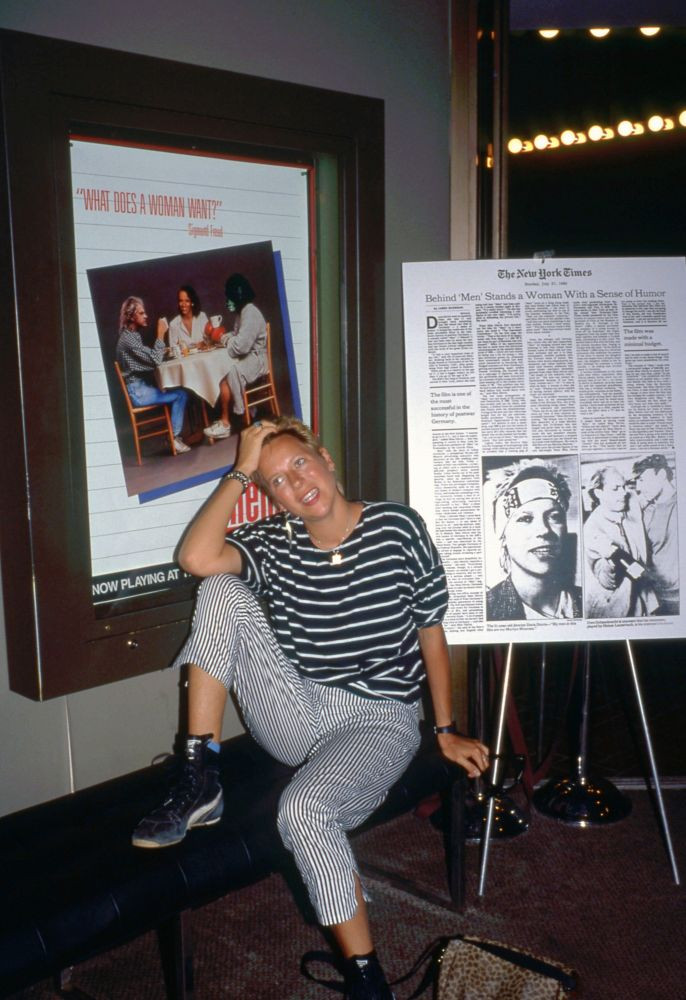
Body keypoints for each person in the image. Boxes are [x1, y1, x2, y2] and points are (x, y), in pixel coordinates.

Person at [132, 416, 489, 999]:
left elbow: (431, 630)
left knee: (303, 811)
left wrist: (445, 728)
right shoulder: (275, 542)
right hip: (298, 711)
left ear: (325, 457)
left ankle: (368, 982)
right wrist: (240, 471)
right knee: (221, 589)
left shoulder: (397, 527)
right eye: (276, 482)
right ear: (270, 496)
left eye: (299, 464)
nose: (295, 484)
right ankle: (200, 777)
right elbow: (197, 558)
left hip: (380, 719)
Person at [485, 459, 582, 621]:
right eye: (525, 519)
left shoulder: (586, 601)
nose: (544, 530)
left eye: (555, 517)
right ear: (504, 535)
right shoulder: (488, 609)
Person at [115, 296, 190, 454]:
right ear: (131, 316)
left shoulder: (131, 336)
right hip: (138, 393)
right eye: (142, 313)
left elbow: (150, 355)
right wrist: (161, 334)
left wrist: (163, 350)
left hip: (140, 389)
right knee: (181, 394)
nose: (146, 316)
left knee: (177, 389)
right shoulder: (128, 340)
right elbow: (155, 360)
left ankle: (173, 436)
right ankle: (174, 438)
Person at [583, 466, 658, 618]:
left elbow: (653, 493)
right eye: (615, 488)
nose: (623, 492)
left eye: (623, 486)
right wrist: (611, 563)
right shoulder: (591, 528)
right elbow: (606, 582)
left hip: (648, 601)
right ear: (599, 493)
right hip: (621, 610)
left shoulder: (631, 502)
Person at [203, 273, 269, 439]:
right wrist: (226, 336)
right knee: (226, 369)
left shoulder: (250, 312)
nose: (227, 301)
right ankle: (240, 413)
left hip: (257, 359)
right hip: (250, 356)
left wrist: (223, 337)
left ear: (238, 295)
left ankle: (239, 414)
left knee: (231, 370)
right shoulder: (242, 313)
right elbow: (238, 335)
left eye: (230, 297)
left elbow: (240, 347)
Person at [632, 453, 679, 615]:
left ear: (662, 475)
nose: (638, 487)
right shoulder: (644, 511)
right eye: (636, 481)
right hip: (655, 597)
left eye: (642, 479)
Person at [162, 284, 209, 353]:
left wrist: (204, 343)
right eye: (181, 301)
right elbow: (173, 350)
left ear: (192, 302)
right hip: (185, 361)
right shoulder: (173, 324)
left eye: (187, 301)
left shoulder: (202, 316)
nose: (183, 304)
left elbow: (210, 340)